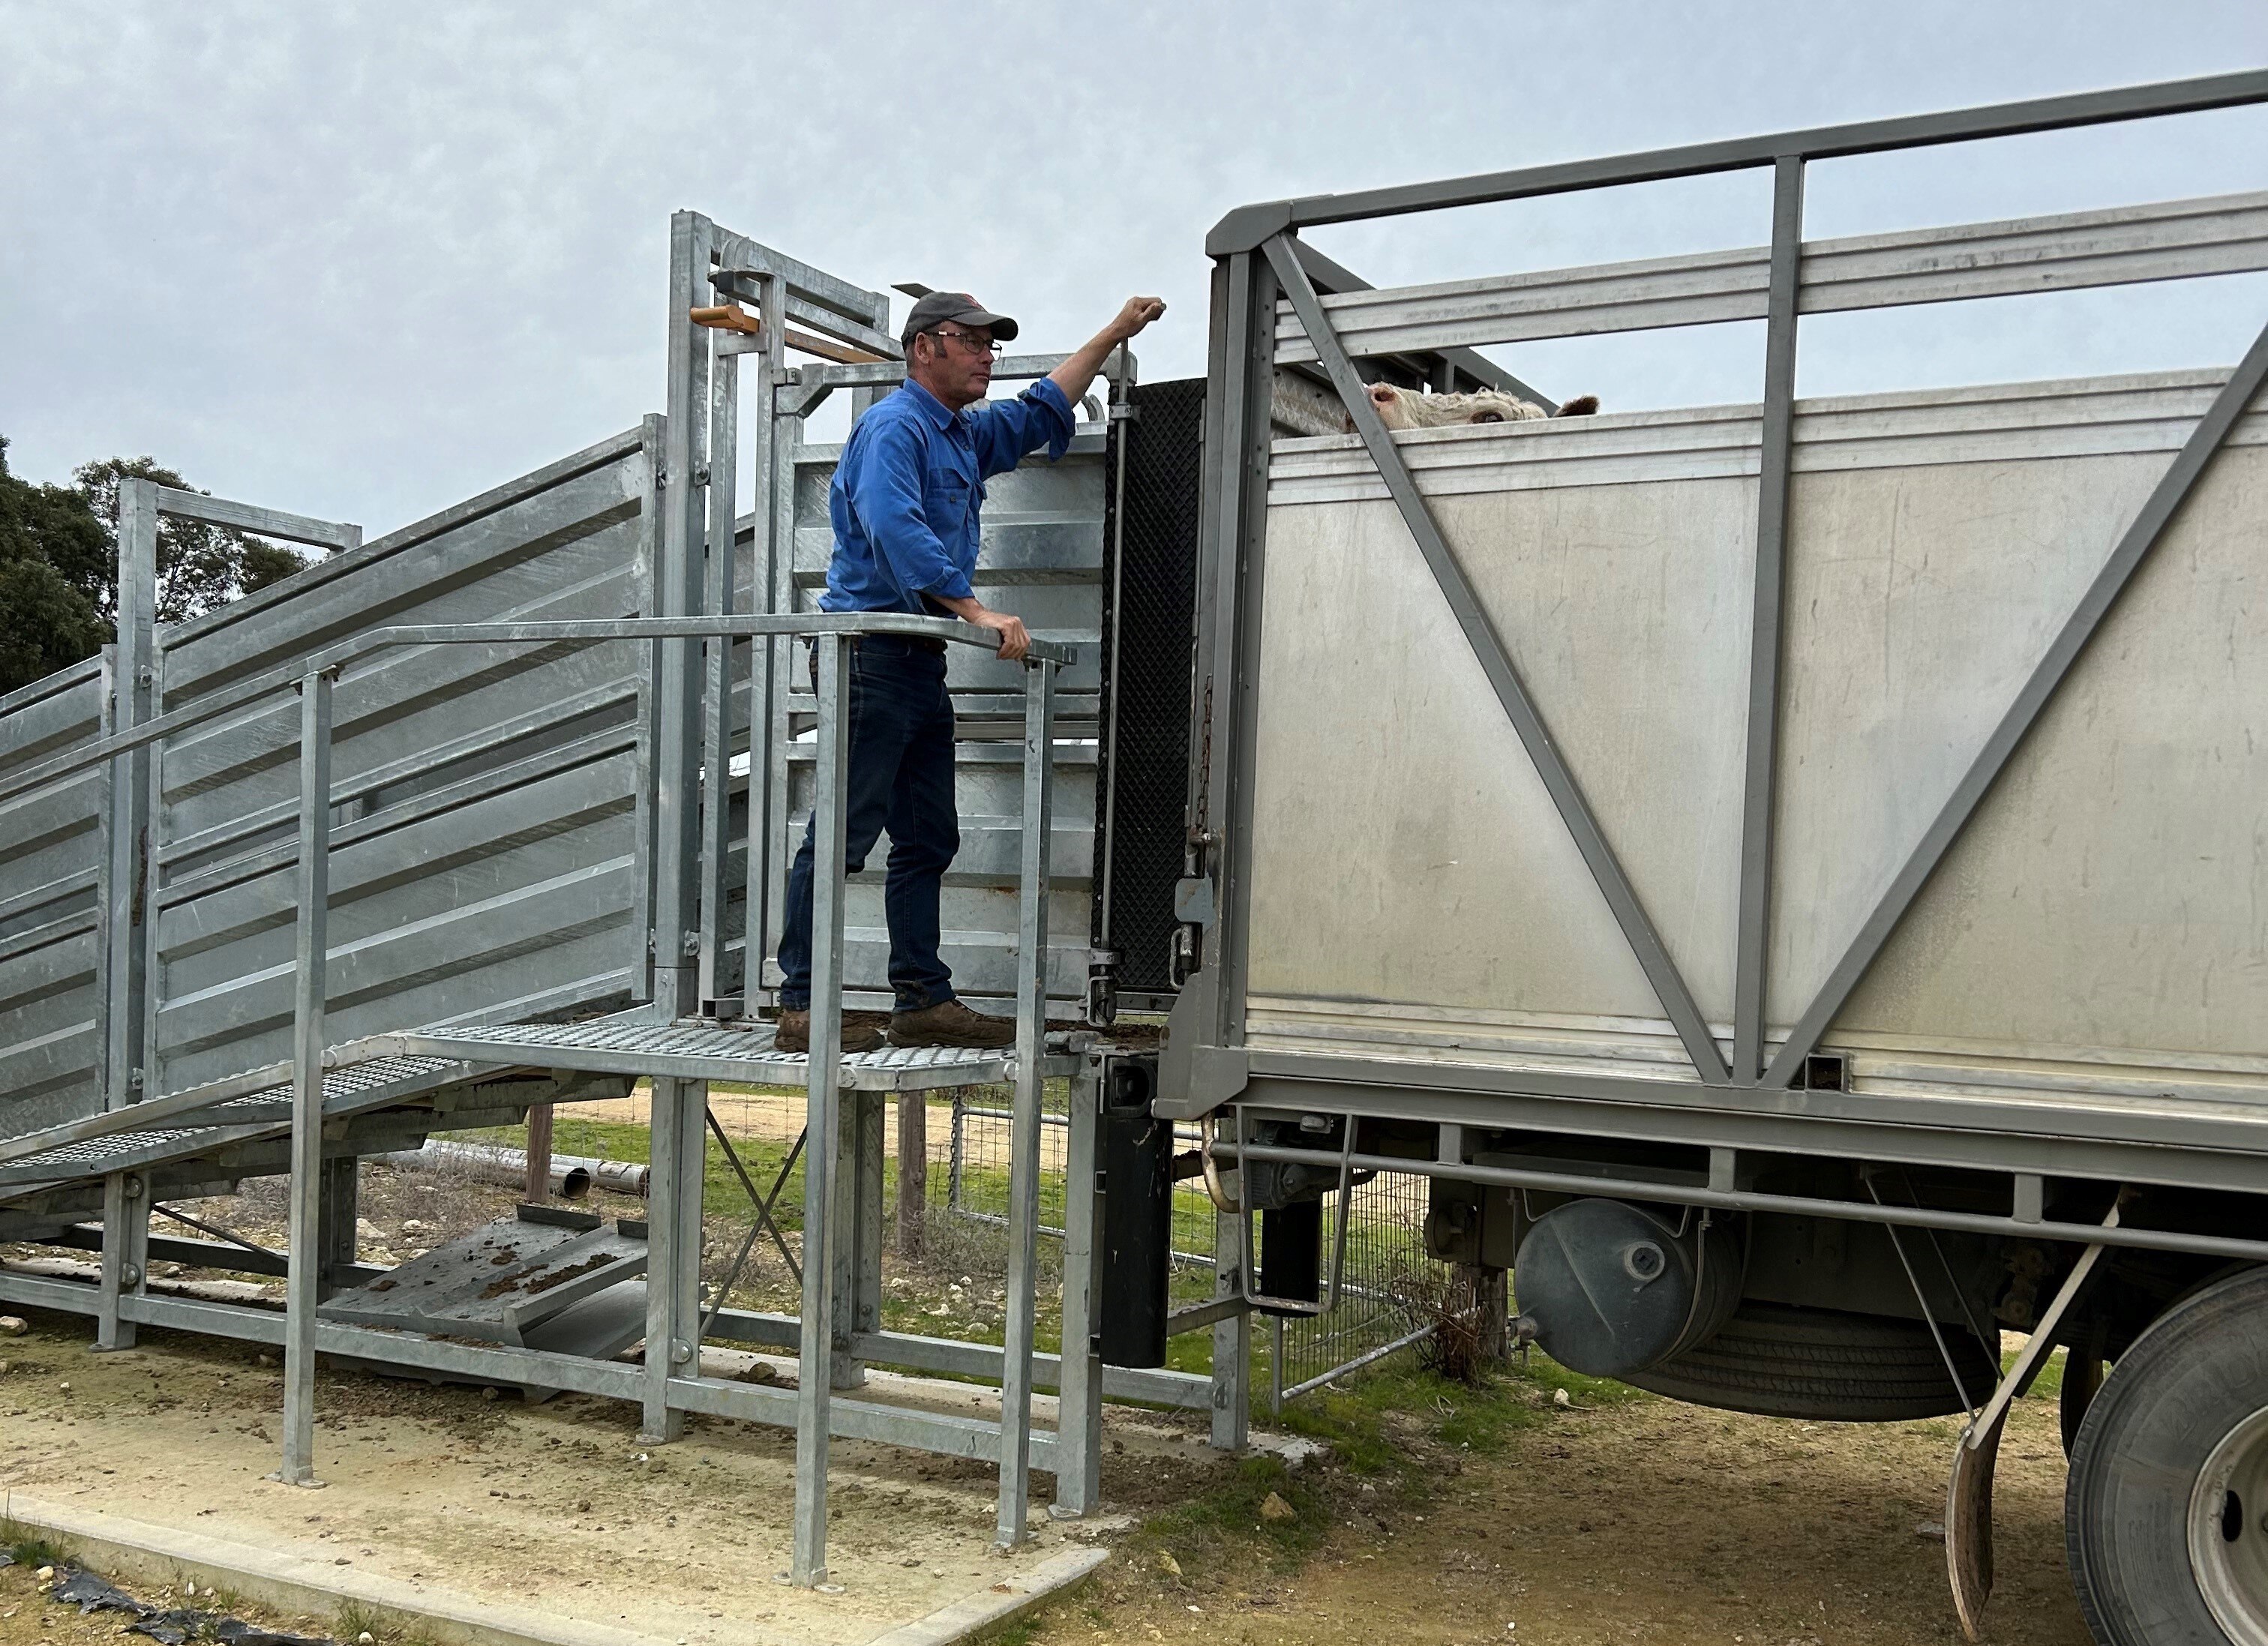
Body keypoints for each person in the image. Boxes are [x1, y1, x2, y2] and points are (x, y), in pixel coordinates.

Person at [772, 288, 1165, 1053]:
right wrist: (976, 611)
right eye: (973, 340)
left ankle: (922, 997)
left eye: (993, 343)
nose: (988, 353)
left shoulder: (959, 436)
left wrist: (1115, 329)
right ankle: (801, 1005)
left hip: (916, 659)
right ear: (925, 347)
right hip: (868, 653)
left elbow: (1042, 408)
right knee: (843, 836)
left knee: (929, 838)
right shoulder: (893, 428)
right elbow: (895, 526)